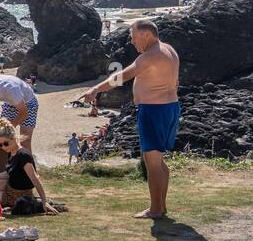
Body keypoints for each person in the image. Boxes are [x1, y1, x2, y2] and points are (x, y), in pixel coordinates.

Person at [77, 19, 180, 219]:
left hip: (153, 110)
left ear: (146, 35)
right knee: (158, 160)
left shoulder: (148, 58)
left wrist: (95, 90)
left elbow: (119, 77)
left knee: (151, 162)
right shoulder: (169, 50)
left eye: (133, 37)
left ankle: (155, 209)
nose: (132, 42)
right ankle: (162, 206)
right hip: (171, 107)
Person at [0, 121, 57, 213]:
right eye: (0, 145)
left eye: (5, 143)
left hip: (20, 196)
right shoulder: (11, 152)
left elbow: (35, 179)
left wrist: (44, 201)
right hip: (9, 192)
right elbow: (9, 172)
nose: (3, 147)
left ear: (14, 138)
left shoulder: (23, 155)